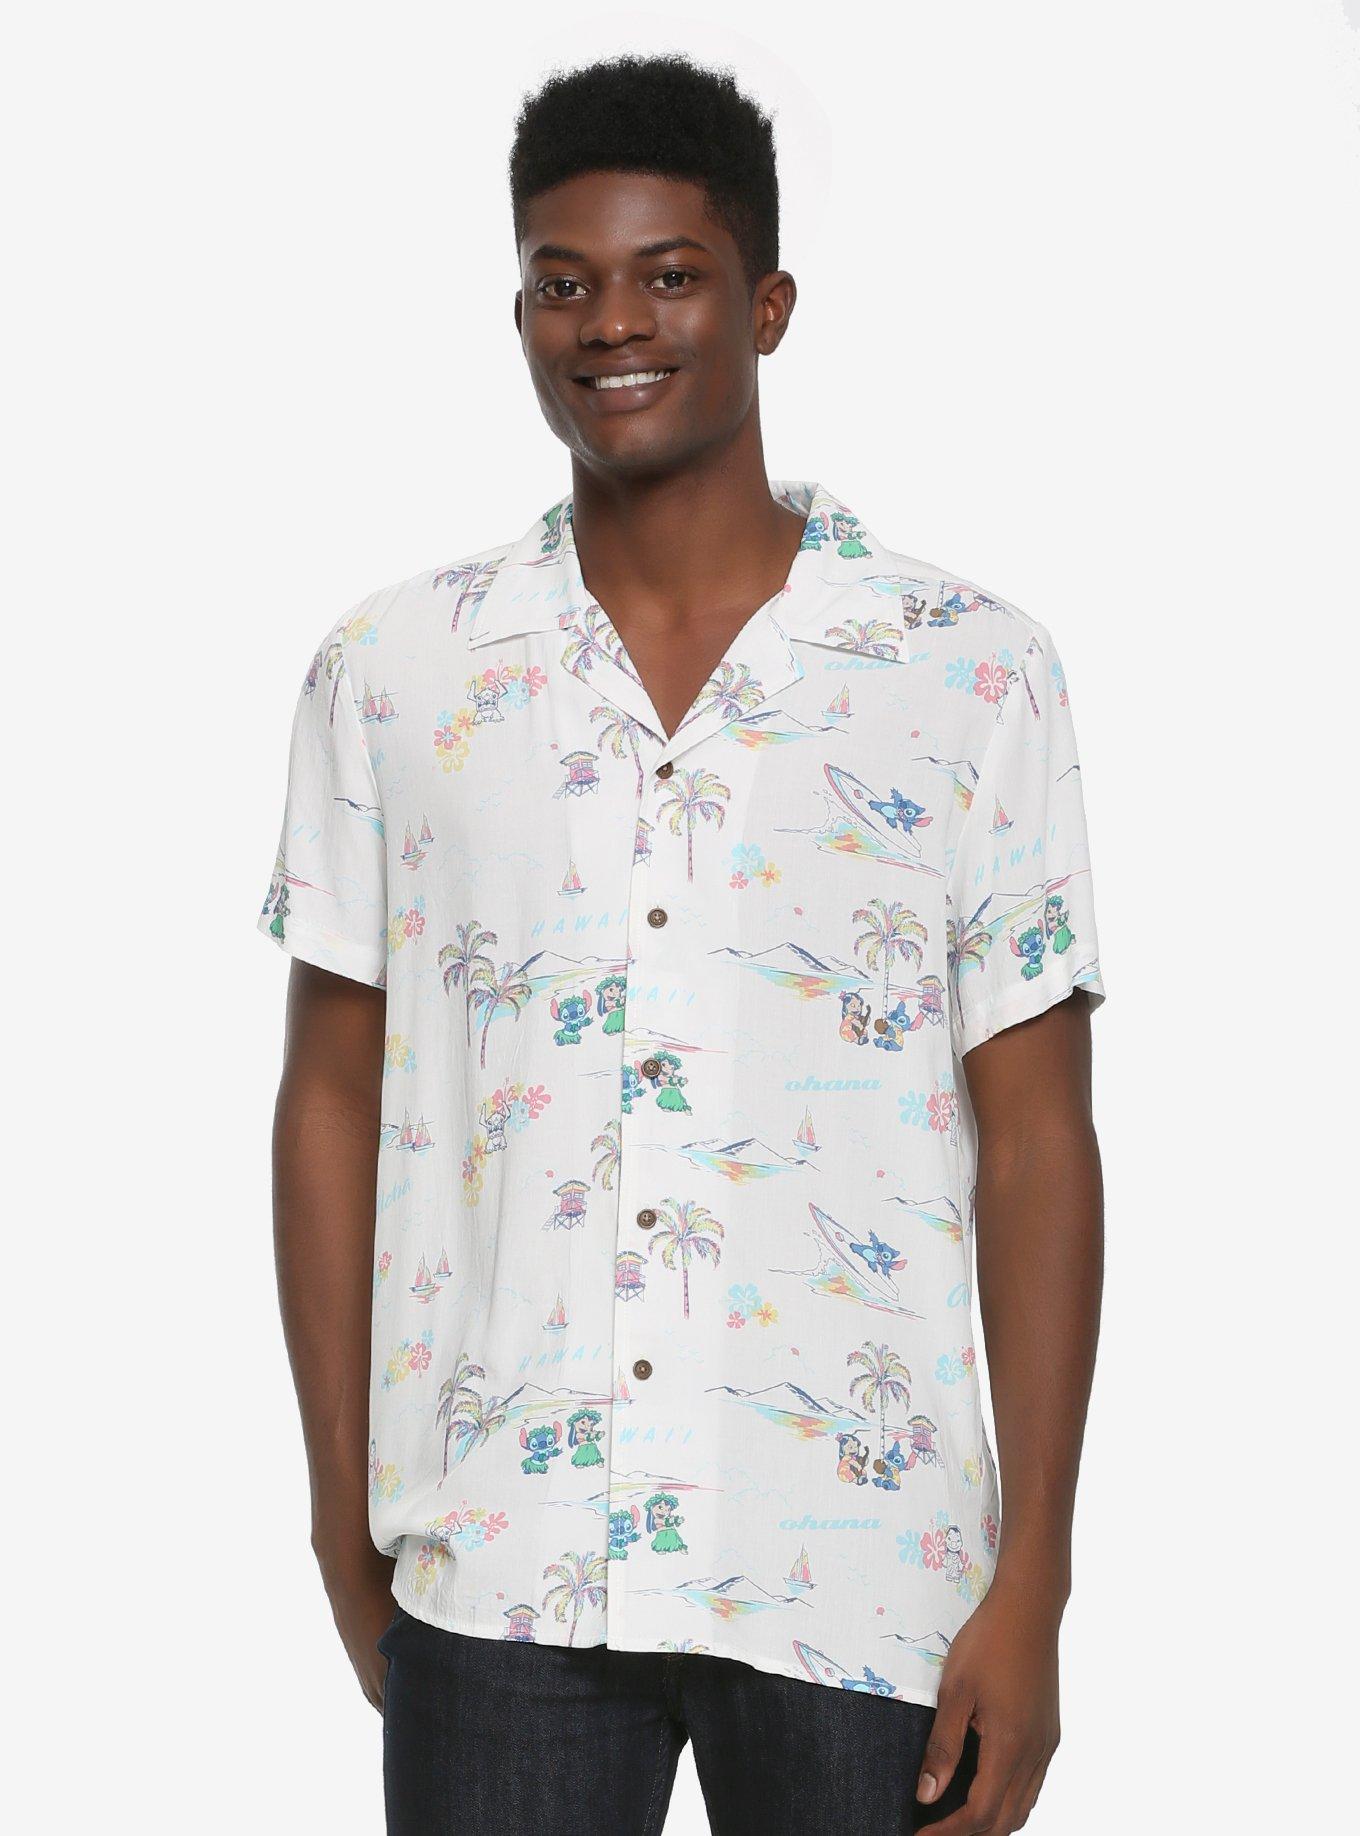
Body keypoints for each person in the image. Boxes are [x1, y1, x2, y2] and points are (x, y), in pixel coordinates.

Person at [256, 51, 1108, 1836]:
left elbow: (1038, 1136)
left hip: (862, 1574)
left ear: (768, 305)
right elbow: (330, 1096)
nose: (612, 323)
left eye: (669, 275)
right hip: (500, 1564)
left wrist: (1034, 1578)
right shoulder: (396, 671)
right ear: (519, 314)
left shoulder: (968, 672)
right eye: (562, 282)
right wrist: (341, 1517)